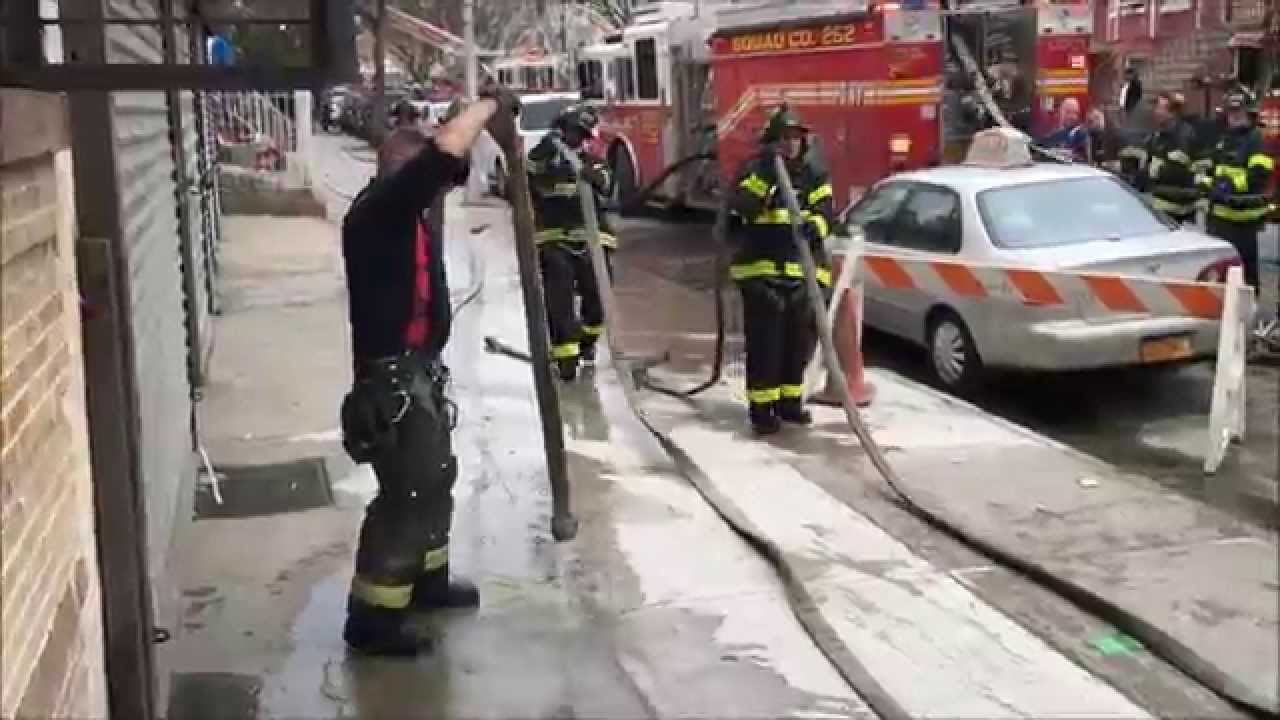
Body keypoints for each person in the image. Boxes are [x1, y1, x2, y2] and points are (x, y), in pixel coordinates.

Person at [337, 89, 518, 656]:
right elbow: (441, 158)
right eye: (423, 177)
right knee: (407, 493)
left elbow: (448, 165)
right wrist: (487, 107)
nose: (436, 188)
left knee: (437, 475)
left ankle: (427, 580)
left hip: (418, 369)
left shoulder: (408, 214)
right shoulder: (378, 212)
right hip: (390, 379)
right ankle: (374, 616)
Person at [728, 105, 835, 435]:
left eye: (796, 139)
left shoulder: (813, 175)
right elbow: (742, 206)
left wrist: (816, 227)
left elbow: (827, 212)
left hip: (801, 276)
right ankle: (762, 410)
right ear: (772, 142)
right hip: (761, 275)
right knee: (766, 346)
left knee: (797, 345)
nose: (791, 145)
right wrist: (769, 178)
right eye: (784, 138)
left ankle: (790, 403)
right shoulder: (755, 171)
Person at [527, 105, 615, 381]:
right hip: (555, 240)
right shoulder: (545, 155)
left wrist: (592, 174)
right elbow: (530, 174)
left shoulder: (591, 160)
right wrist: (549, 154)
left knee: (598, 304)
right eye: (575, 132)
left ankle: (586, 342)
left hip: (593, 241)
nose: (579, 138)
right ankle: (566, 361)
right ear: (563, 129)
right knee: (560, 302)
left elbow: (606, 183)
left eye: (583, 134)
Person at [1198, 91, 1273, 293]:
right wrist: (1206, 184)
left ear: (1249, 114)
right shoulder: (1224, 139)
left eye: (1238, 112)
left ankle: (1249, 308)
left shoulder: (1256, 139)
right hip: (1219, 216)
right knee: (1221, 268)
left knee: (1245, 269)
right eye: (1231, 113)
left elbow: (1258, 174)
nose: (1234, 117)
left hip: (1243, 219)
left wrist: (1229, 186)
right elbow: (1212, 168)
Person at [1142, 91, 1200, 224]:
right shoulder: (1157, 136)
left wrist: (1156, 170)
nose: (1155, 112)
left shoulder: (1184, 136)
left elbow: (1180, 172)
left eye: (1160, 108)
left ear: (1172, 113)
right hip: (1161, 204)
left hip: (1180, 209)